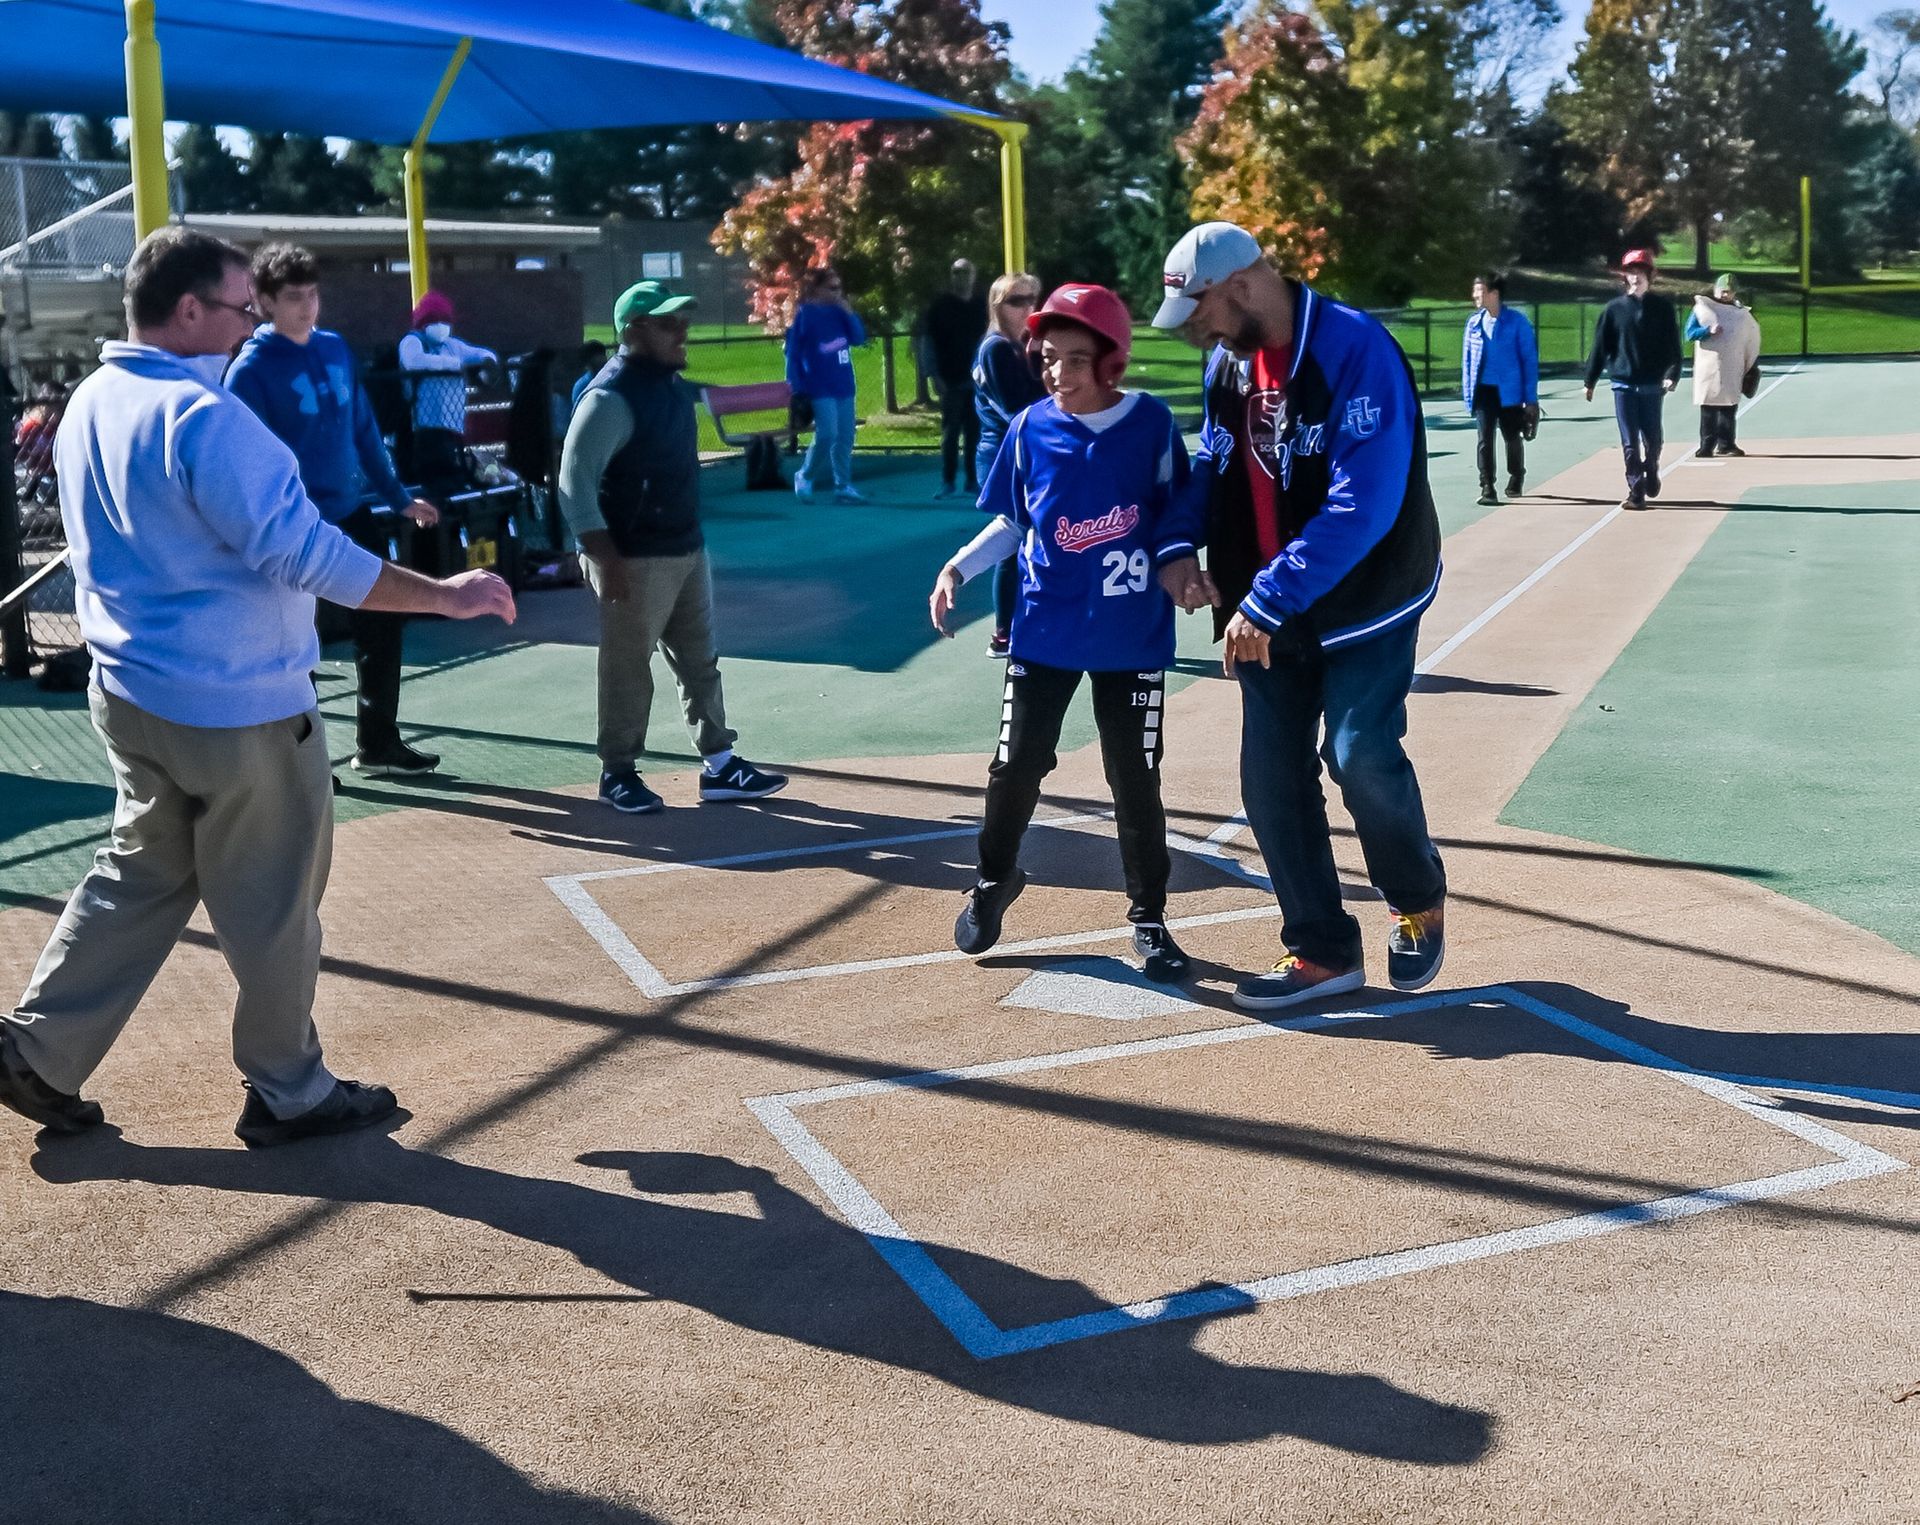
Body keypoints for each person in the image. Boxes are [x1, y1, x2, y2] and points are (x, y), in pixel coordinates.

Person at [0, 228, 515, 1147]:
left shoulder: (91, 401)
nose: (251, 325)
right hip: (237, 705)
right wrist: (448, 594)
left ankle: (40, 1050)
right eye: (241, 308)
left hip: (132, 692)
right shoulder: (206, 418)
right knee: (276, 901)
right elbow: (308, 555)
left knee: (141, 870)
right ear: (188, 310)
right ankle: (290, 1088)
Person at [1152, 222, 1447, 1011]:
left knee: (1358, 753)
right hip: (1267, 607)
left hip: (1363, 601)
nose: (1198, 333)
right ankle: (1321, 948)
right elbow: (1215, 459)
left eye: (1202, 313)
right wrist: (1177, 545)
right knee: (1270, 779)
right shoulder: (1228, 360)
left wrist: (1268, 598)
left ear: (1242, 286)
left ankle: (1416, 896)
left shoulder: (1356, 350)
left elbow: (1363, 503)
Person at [927, 283, 1199, 984]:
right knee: (1015, 764)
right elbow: (1015, 522)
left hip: (1131, 636)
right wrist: (958, 567)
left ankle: (1149, 918)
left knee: (1134, 776)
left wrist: (1182, 565)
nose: (1058, 373)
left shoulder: (1149, 424)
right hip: (1044, 631)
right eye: (1048, 358)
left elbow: (1180, 512)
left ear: (1112, 360)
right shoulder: (1029, 429)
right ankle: (993, 878)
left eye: (1076, 359)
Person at [559, 279, 788, 814]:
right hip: (631, 558)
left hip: (684, 547)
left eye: (683, 320)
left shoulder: (667, 384)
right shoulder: (609, 397)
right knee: (628, 667)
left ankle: (720, 764)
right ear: (634, 331)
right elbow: (573, 481)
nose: (682, 331)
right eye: (668, 323)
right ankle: (617, 771)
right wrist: (603, 556)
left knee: (700, 660)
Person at [227, 243, 444, 779]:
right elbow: (244, 463)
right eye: (293, 297)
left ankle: (378, 744)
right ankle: (304, 766)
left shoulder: (335, 348)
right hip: (292, 524)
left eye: (312, 294)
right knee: (298, 641)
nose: (307, 306)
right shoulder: (249, 371)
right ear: (265, 301)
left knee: (383, 619)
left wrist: (398, 497)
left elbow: (364, 430)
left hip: (350, 513)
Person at [970, 271, 1046, 659]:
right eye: (1017, 301)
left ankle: (1020, 623)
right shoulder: (996, 349)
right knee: (1012, 541)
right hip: (1002, 456)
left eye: (1033, 298)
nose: (1028, 307)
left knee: (1027, 538)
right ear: (997, 306)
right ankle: (1003, 632)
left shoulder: (1019, 347)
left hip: (1020, 454)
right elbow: (1018, 409)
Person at [1583, 249, 1682, 511]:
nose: (1635, 277)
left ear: (1650, 275)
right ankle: (1636, 491)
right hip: (1623, 385)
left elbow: (1673, 347)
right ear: (1624, 276)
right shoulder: (1614, 310)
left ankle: (1652, 467)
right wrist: (1590, 380)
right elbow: (1600, 347)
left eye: (1640, 272)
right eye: (1631, 272)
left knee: (1653, 439)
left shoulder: (1662, 308)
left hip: (1652, 385)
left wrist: (1672, 374)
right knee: (1629, 442)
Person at [398, 289, 496, 499]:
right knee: (432, 472)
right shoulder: (412, 341)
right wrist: (454, 365)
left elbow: (477, 353)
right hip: (422, 423)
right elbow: (414, 361)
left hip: (450, 422)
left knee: (449, 467)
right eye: (435, 320)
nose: (441, 326)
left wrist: (488, 362)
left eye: (445, 321)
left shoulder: (452, 345)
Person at [784, 267, 866, 503]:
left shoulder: (840, 312)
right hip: (819, 385)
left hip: (843, 383)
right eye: (832, 288)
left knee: (845, 436)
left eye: (839, 288)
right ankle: (805, 474)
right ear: (816, 289)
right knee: (828, 433)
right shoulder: (806, 315)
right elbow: (793, 353)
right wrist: (796, 386)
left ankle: (843, 485)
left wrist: (850, 313)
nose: (837, 293)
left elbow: (858, 338)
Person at [1460, 271, 1539, 505]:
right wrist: (1469, 395)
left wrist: (1531, 399)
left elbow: (1529, 361)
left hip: (1510, 391)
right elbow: (1467, 361)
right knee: (1484, 438)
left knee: (1512, 437)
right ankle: (1487, 486)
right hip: (1484, 391)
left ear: (1494, 294)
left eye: (1480, 290)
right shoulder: (1474, 323)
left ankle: (1516, 476)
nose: (1475, 295)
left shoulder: (1517, 322)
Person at [924, 258, 989, 500]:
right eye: (956, 272)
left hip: (978, 381)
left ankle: (973, 481)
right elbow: (928, 342)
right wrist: (933, 374)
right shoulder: (940, 307)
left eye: (965, 272)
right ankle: (948, 481)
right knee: (950, 434)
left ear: (973, 275)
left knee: (975, 433)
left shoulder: (983, 306)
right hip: (950, 380)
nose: (961, 276)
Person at [1686, 273, 1760, 458]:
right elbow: (1689, 333)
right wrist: (1707, 331)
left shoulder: (1741, 314)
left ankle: (1726, 444)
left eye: (1730, 291)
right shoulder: (1702, 309)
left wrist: (1750, 363)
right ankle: (1706, 445)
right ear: (1715, 289)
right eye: (1723, 291)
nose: (1726, 295)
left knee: (1729, 406)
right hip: (1708, 367)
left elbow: (1751, 338)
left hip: (1732, 366)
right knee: (1709, 407)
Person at [570, 340, 609, 414]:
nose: (603, 360)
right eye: (598, 358)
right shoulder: (582, 386)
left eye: (603, 355)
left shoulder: (611, 379)